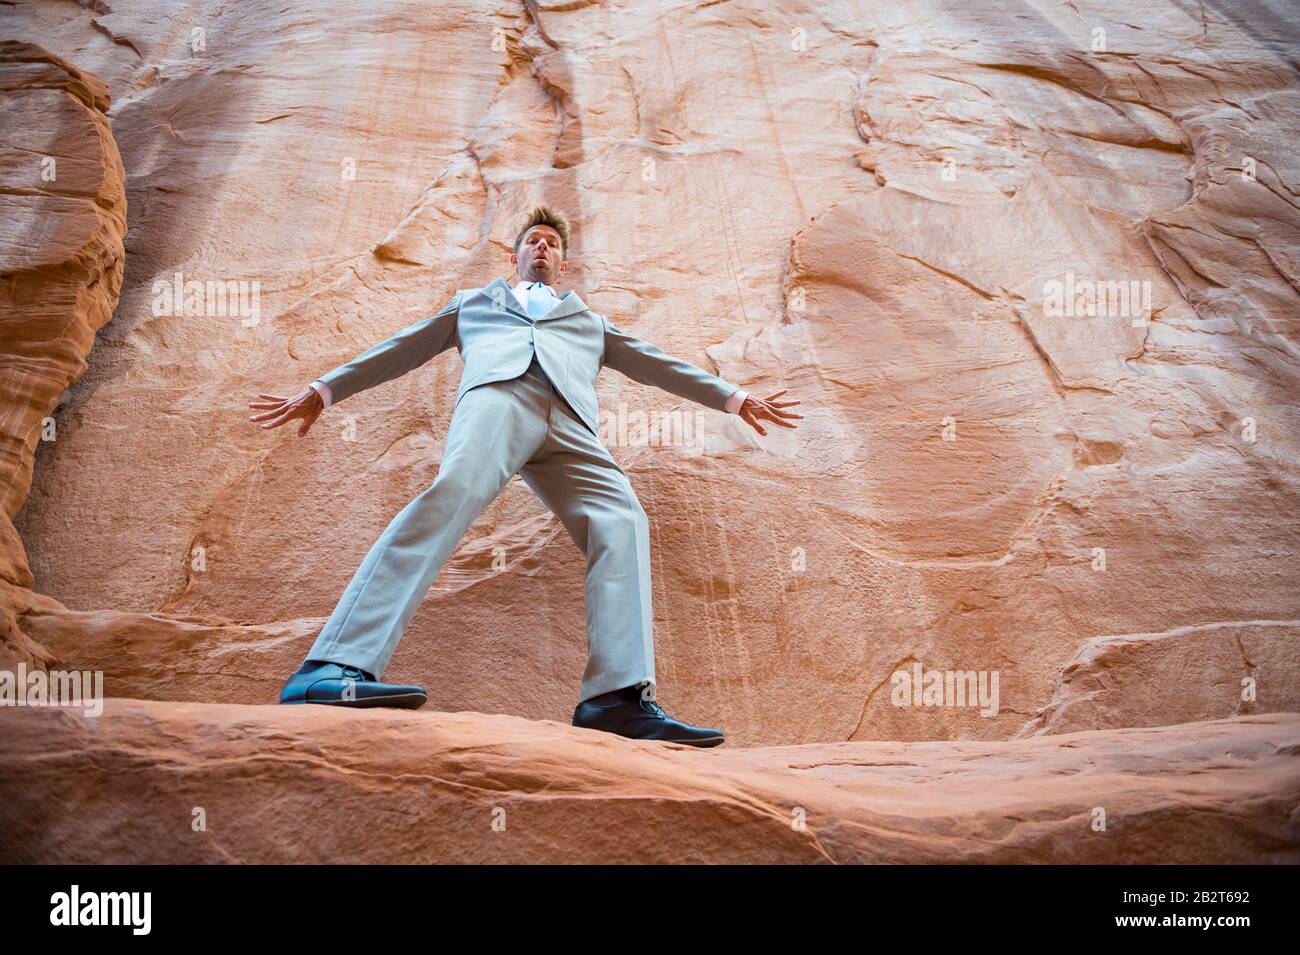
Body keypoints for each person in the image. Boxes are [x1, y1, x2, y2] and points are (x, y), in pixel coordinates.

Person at [248, 205, 801, 746]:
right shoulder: (473, 304)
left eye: (552, 244)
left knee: (622, 519)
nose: (542, 247)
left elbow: (654, 360)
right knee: (452, 494)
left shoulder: (589, 321)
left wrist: (733, 398)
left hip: (572, 427)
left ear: (562, 265)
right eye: (533, 240)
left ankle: (618, 697)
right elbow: (403, 348)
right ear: (515, 256)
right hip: (499, 403)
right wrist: (324, 390)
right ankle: (332, 666)